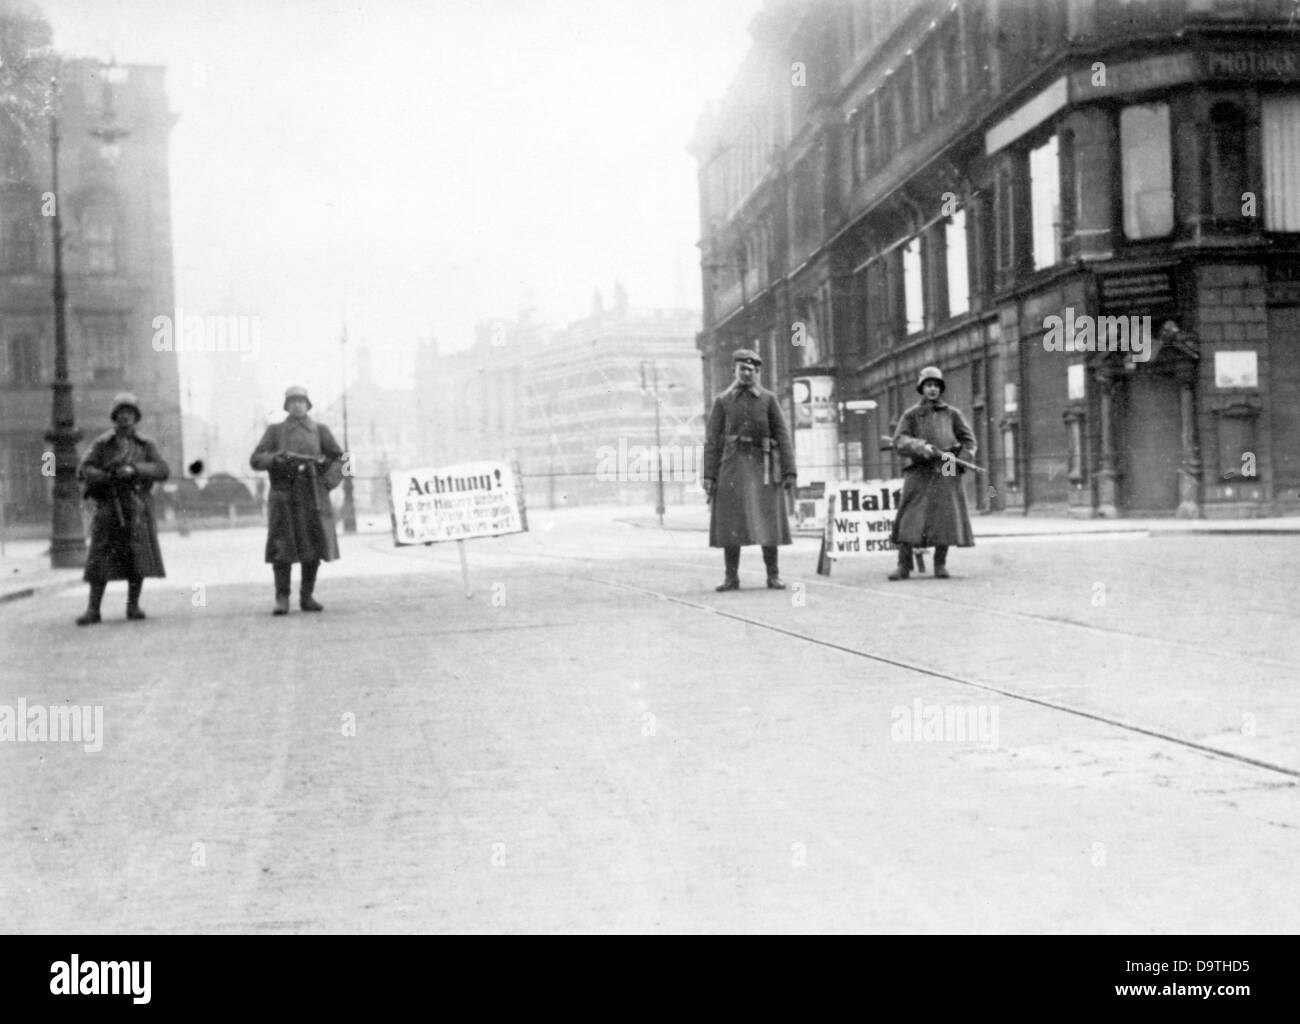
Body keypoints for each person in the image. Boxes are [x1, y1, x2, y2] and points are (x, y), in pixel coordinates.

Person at [701, 348, 797, 591]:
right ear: (734, 370)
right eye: (742, 368)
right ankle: (731, 577)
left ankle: (772, 575)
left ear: (757, 372)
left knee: (768, 522)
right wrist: (709, 475)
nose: (747, 373)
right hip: (731, 467)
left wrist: (789, 470)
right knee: (730, 523)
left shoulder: (768, 399)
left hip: (763, 466)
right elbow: (712, 441)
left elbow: (783, 435)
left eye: (751, 369)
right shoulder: (722, 401)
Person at [75, 393, 170, 625]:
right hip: (109, 505)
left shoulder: (146, 444)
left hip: (136, 506)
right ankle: (93, 609)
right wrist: (107, 476)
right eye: (121, 412)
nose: (125, 417)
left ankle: (133, 606)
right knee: (100, 556)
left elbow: (162, 469)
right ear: (114, 416)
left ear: (136, 417)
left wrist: (135, 469)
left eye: (129, 412)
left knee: (136, 555)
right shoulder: (102, 443)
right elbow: (84, 469)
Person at [249, 385, 344, 615]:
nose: (297, 405)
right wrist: (275, 460)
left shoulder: (320, 430)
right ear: (286, 406)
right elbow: (256, 460)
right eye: (292, 402)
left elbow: (343, 460)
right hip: (284, 496)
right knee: (283, 549)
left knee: (312, 547)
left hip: (313, 496)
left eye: (301, 401)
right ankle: (282, 599)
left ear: (308, 404)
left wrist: (328, 482)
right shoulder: (276, 432)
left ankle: (307, 596)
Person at [888, 366, 976, 580]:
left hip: (946, 468)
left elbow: (969, 441)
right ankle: (904, 565)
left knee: (944, 517)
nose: (932, 390)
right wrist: (920, 447)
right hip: (920, 469)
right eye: (928, 385)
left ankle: (940, 563)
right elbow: (900, 440)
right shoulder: (910, 415)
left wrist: (958, 459)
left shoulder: (953, 414)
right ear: (921, 387)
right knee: (910, 517)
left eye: (936, 385)